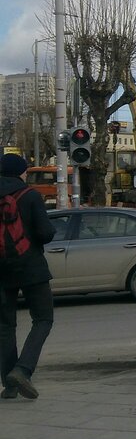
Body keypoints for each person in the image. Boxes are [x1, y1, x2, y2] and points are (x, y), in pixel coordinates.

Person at [0, 153, 57, 400]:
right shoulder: (31, 195)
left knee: (4, 326)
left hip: (1, 271)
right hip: (31, 267)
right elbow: (45, 233)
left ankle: (10, 385)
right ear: (22, 172)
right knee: (43, 319)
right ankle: (22, 370)